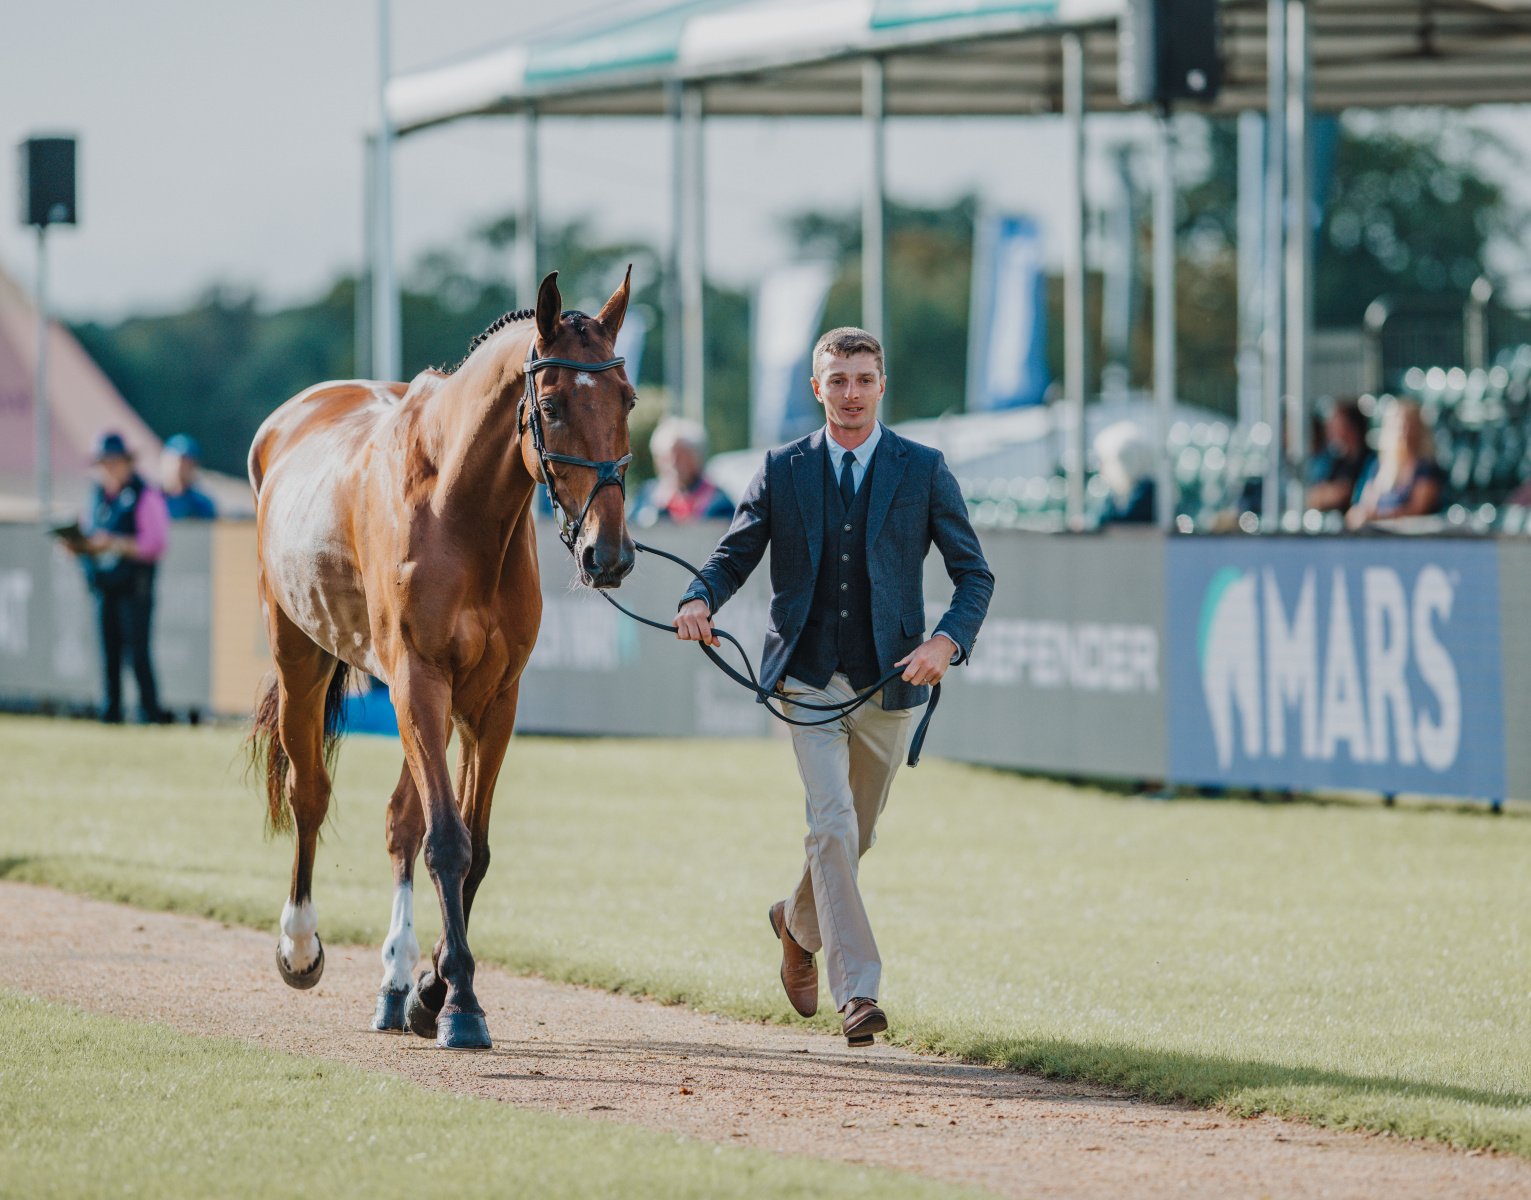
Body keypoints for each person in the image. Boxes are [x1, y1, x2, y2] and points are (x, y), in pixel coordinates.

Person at [673, 327, 993, 1046]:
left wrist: (947, 641)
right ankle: (859, 992)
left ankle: (796, 923)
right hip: (805, 679)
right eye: (836, 380)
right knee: (832, 824)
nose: (850, 393)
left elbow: (974, 575)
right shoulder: (781, 468)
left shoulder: (923, 469)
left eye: (863, 379)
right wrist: (699, 598)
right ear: (816, 388)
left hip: (890, 681)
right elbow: (735, 552)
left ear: (882, 387)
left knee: (858, 834)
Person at [74, 432, 172, 724]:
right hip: (104, 586)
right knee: (108, 653)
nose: (109, 468)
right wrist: (77, 545)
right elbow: (88, 534)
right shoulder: (96, 496)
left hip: (135, 586)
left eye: (114, 462)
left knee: (138, 653)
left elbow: (155, 543)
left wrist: (113, 543)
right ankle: (111, 712)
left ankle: (149, 712)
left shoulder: (145, 493)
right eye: (105, 463)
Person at [1346, 398, 1445, 527]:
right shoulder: (1378, 466)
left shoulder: (1427, 469)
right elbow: (1365, 506)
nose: (1403, 430)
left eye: (1408, 424)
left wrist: (1377, 517)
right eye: (1398, 424)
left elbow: (1417, 511)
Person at [631, 416, 735, 526]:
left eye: (680, 456)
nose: (672, 463)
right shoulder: (647, 497)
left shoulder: (719, 503)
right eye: (664, 457)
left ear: (697, 458)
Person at [1306, 400, 1373, 514]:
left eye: (1336, 424)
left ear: (1352, 427)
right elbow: (1313, 496)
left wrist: (1341, 492)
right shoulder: (1334, 459)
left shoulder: (1370, 461)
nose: (1330, 430)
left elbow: (1357, 496)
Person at [1093, 420, 1156, 524]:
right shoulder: (1121, 497)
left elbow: (1119, 526)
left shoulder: (1146, 496)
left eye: (1107, 462)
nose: (1102, 470)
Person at [159, 433, 217, 519]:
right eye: (174, 461)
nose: (178, 467)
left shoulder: (201, 504)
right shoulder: (150, 499)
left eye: (186, 463)